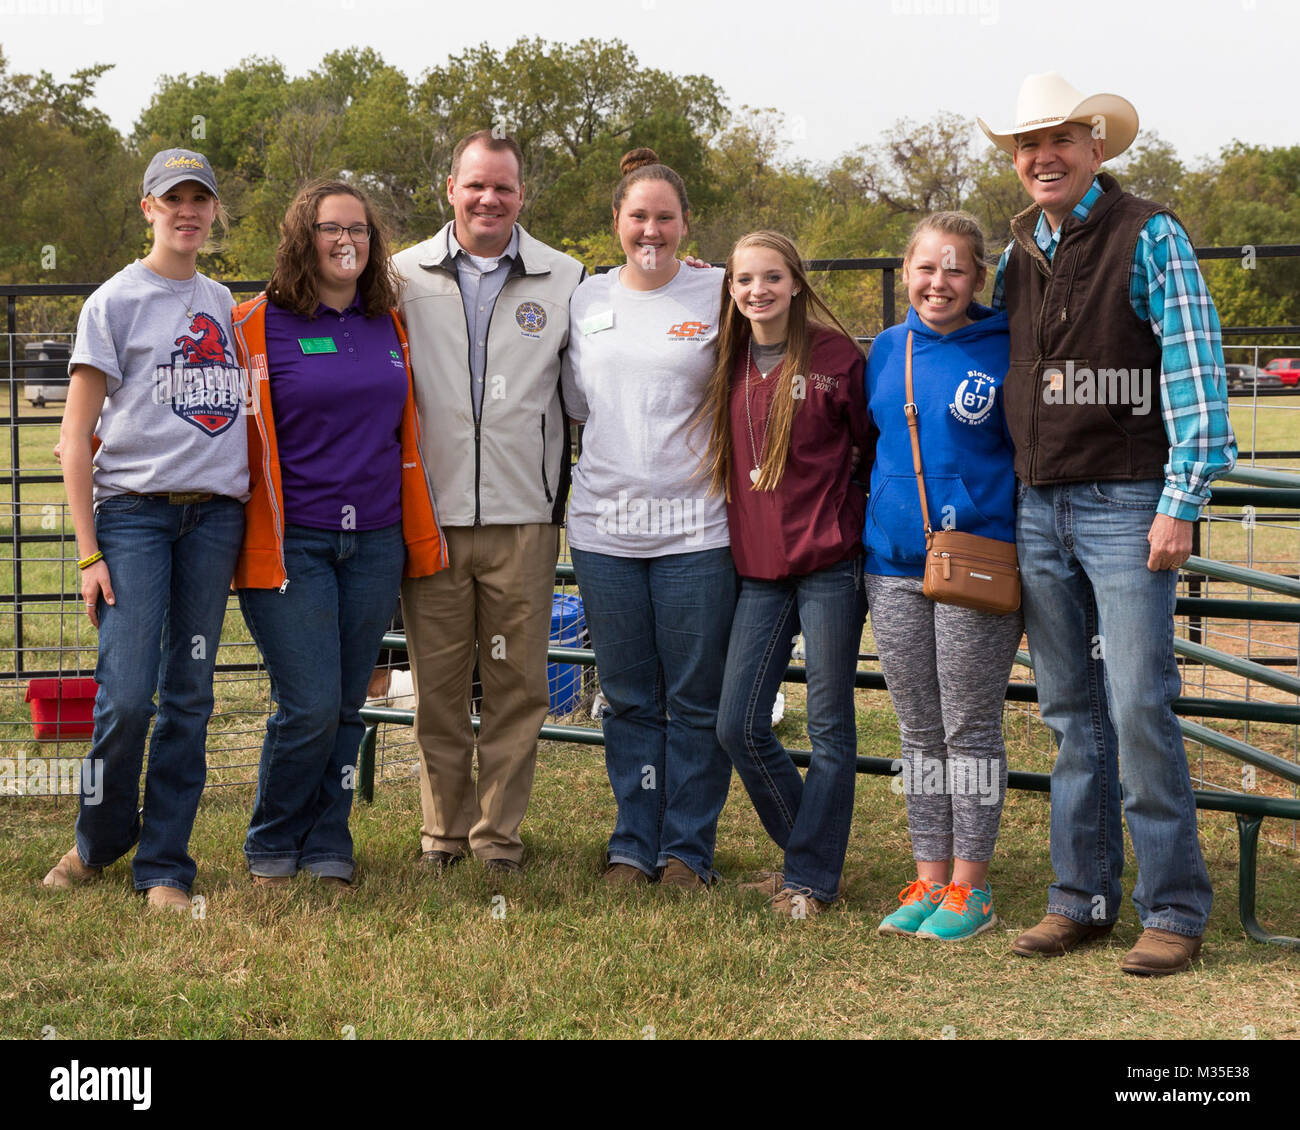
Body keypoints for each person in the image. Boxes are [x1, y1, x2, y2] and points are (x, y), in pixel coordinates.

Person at [979, 73, 1236, 973]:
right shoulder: (1018, 250)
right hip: (1038, 504)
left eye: (1059, 140)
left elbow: (1196, 369)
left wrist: (1181, 498)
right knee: (1067, 710)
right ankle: (1080, 898)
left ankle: (1173, 907)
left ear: (1095, 146)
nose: (1041, 156)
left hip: (1128, 503)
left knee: (1135, 702)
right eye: (1026, 145)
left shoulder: (1150, 233)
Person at [42, 149, 248, 912]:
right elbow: (74, 439)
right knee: (127, 695)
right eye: (174, 198)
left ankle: (164, 863)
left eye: (201, 199)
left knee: (189, 693)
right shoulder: (113, 303)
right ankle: (96, 840)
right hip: (134, 515)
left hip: (214, 518)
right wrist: (89, 551)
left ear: (213, 211)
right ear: (148, 208)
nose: (188, 210)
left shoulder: (224, 301)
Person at [231, 180, 446, 889]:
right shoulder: (254, 325)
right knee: (309, 705)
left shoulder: (390, 322)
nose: (346, 240)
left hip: (376, 541)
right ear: (304, 238)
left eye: (358, 228)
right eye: (330, 228)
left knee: (350, 703)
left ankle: (329, 838)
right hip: (296, 542)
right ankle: (271, 839)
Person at [394, 131, 584, 875]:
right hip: (431, 520)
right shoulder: (400, 273)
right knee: (437, 688)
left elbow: (636, 306)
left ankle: (497, 839)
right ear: (451, 188)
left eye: (503, 187)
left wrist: (699, 277)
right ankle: (443, 835)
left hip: (524, 522)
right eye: (476, 185)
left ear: (520, 196)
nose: (488, 199)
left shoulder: (567, 278)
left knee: (516, 689)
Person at [562, 148, 735, 890]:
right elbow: (575, 403)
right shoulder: (584, 299)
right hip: (605, 529)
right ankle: (634, 842)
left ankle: (687, 850)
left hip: (697, 529)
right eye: (639, 216)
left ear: (687, 223)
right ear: (617, 222)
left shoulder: (723, 290)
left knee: (695, 699)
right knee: (628, 698)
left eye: (666, 217)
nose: (652, 230)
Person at [698, 230, 872, 916]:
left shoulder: (834, 357)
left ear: (796, 282)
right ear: (731, 288)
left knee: (829, 724)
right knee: (737, 722)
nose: (757, 291)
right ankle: (810, 851)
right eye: (744, 280)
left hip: (830, 562)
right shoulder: (727, 356)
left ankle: (811, 878)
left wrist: (841, 516)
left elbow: (869, 445)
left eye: (771, 277)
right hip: (760, 569)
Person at [860, 212, 1023, 940]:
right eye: (927, 268)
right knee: (919, 729)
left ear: (978, 277)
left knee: (969, 726)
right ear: (907, 272)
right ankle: (929, 878)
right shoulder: (886, 351)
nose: (939, 282)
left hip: (976, 563)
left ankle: (972, 888)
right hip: (890, 565)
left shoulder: (1008, 348)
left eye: (956, 269)